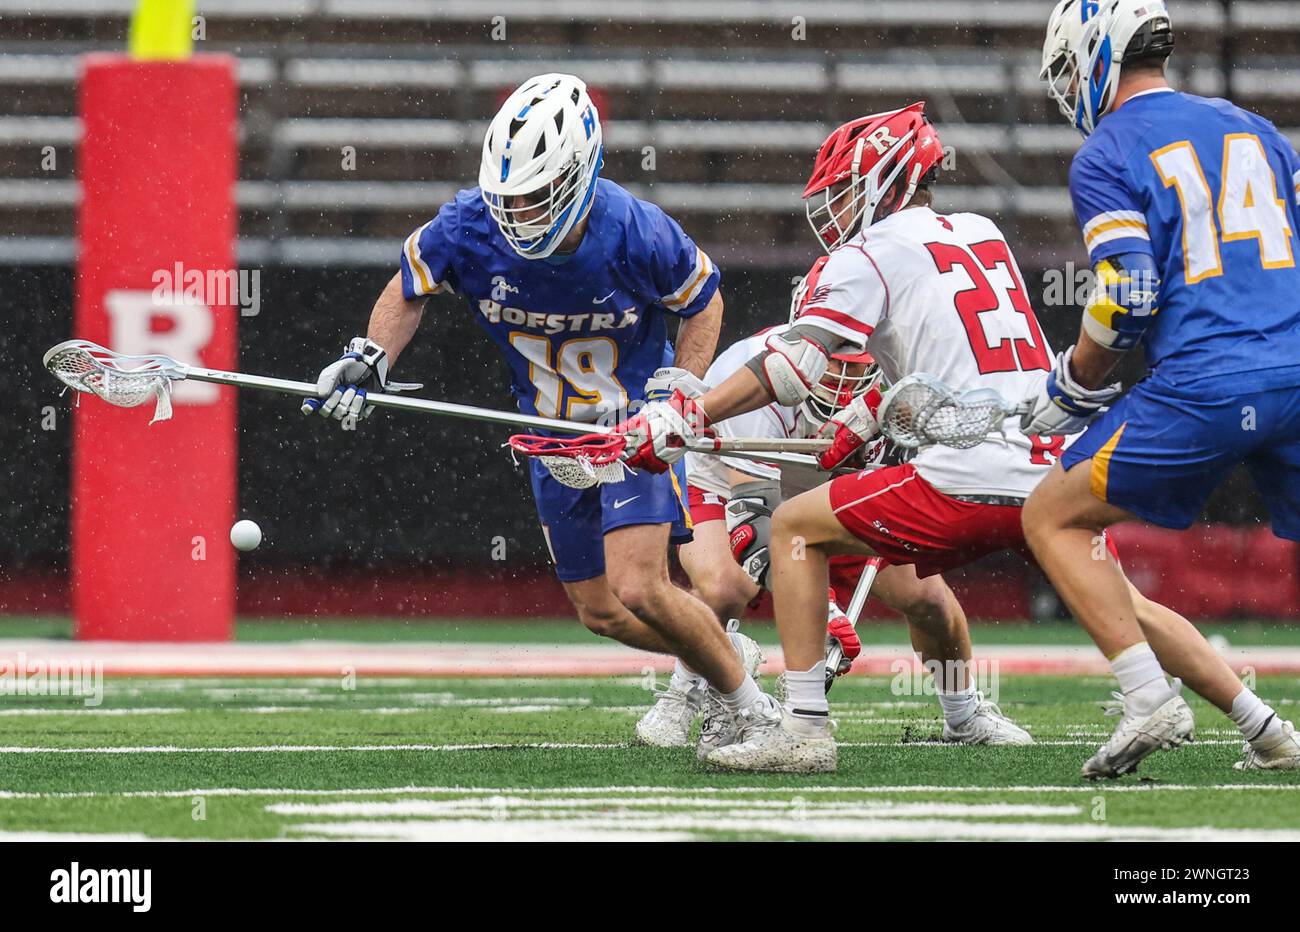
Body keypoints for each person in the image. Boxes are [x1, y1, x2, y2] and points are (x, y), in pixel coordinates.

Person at [615, 101, 1294, 776]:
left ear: (885, 179)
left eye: (846, 191)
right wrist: (871, 409)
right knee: (1127, 604)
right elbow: (963, 353)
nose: (833, 211)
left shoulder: (867, 254)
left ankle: (803, 729)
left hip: (968, 473)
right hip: (1045, 463)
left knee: (796, 526)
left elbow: (795, 368)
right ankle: (1265, 729)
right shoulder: (980, 230)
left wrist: (689, 416)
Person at [306, 73, 773, 748]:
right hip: (553, 441)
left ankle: (753, 711)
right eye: (508, 197)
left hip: (631, 431)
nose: (518, 211)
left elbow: (702, 301)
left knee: (640, 587)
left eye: (536, 194)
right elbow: (410, 286)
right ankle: (718, 658)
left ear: (581, 175)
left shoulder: (635, 230)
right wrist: (369, 356)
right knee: (601, 613)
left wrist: (677, 392)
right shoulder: (470, 224)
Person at [1018, 0, 1300, 774]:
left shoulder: (1109, 151)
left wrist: (1075, 382)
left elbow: (1128, 294)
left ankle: (1148, 697)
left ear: (1097, 56)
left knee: (1051, 516)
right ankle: (1269, 735)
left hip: (1207, 383)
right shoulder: (1255, 129)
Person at [661, 257, 1031, 756]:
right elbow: (754, 516)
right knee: (727, 585)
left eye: (859, 360)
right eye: (833, 358)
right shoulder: (749, 379)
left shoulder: (900, 379)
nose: (844, 375)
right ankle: (685, 691)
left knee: (928, 601)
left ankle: (964, 713)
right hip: (731, 482)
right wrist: (827, 612)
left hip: (827, 485)